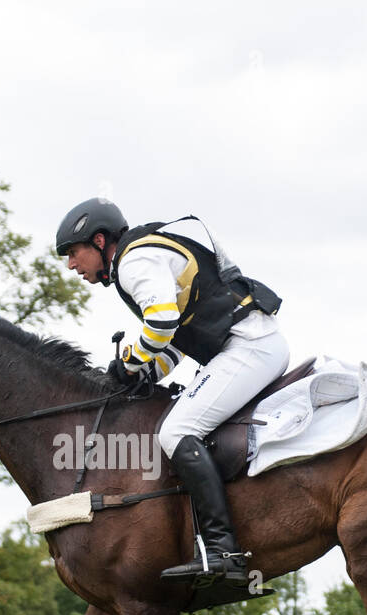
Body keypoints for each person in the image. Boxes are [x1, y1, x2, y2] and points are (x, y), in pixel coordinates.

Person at [56, 199, 288, 585]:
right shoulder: (147, 250)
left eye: (73, 253)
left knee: (175, 432)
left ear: (99, 241)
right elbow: (176, 341)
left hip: (250, 347)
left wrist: (127, 363)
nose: (71, 265)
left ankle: (223, 550)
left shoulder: (132, 262)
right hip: (246, 346)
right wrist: (148, 373)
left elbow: (161, 322)